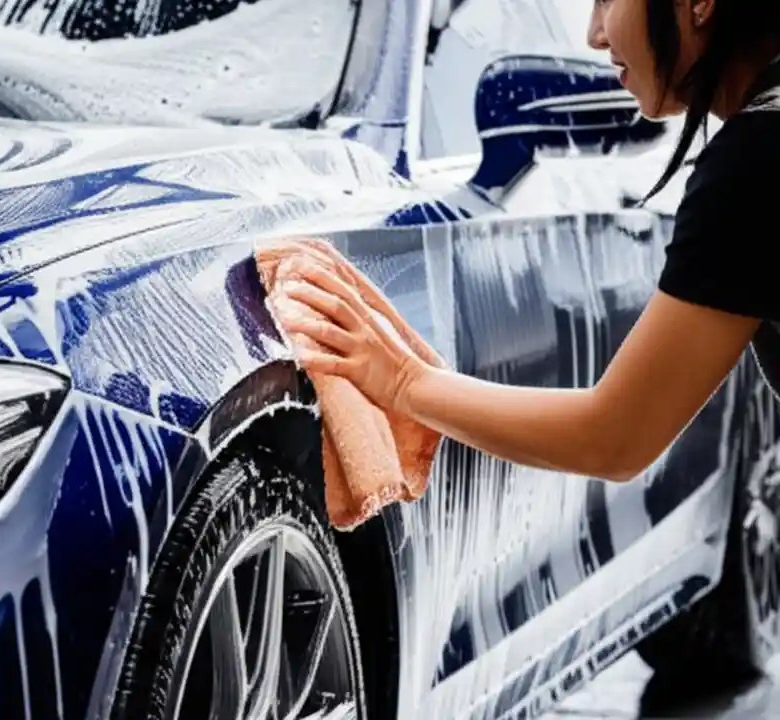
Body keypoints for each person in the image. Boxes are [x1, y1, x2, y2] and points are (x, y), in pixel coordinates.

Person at [274, 0, 780, 482]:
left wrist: (406, 381)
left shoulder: (753, 161)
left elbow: (616, 437)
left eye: (607, 0)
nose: (594, 35)